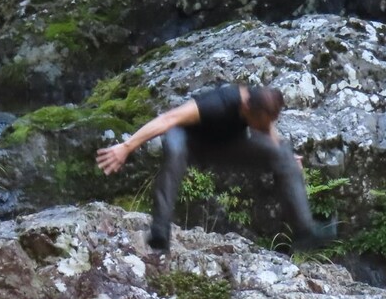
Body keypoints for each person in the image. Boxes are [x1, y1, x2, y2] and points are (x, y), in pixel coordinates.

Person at [95, 82, 338, 252]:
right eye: (259, 122)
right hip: (189, 142)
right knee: (176, 146)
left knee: (284, 154)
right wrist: (126, 147)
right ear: (246, 109)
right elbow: (167, 120)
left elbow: (267, 130)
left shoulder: (257, 106)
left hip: (223, 147)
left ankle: (305, 232)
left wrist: (285, 158)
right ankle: (160, 231)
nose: (264, 127)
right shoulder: (218, 103)